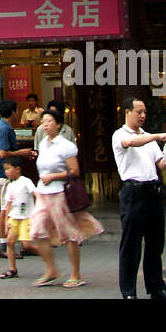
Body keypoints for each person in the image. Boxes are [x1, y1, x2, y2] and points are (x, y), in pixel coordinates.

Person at [28, 108, 104, 288]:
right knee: (37, 230)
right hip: (43, 194)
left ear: (59, 124)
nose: (45, 125)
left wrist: (54, 176)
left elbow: (75, 171)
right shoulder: (43, 143)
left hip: (60, 193)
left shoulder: (66, 146)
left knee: (68, 233)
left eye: (49, 122)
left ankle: (75, 274)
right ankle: (51, 270)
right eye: (43, 122)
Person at [111, 96, 166, 299]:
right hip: (133, 193)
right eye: (138, 112)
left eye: (144, 112)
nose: (142, 116)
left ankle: (157, 288)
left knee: (155, 244)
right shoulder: (120, 135)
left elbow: (159, 164)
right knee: (131, 245)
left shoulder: (148, 136)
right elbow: (131, 143)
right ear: (127, 112)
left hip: (152, 191)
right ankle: (129, 291)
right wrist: (157, 136)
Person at [0, 99, 37, 259]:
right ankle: (4, 245)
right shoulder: (4, 128)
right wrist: (21, 153)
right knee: (5, 209)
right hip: (5, 174)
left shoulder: (2, 127)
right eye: (17, 110)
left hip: (5, 173)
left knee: (8, 208)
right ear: (13, 112)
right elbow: (3, 153)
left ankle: (16, 243)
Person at [0, 156, 39, 280]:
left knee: (26, 246)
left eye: (8, 169)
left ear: (18, 169)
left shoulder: (26, 181)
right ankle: (12, 269)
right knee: (10, 242)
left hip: (26, 218)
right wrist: (6, 222)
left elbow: (36, 194)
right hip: (14, 218)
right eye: (5, 169)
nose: (6, 172)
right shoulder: (10, 186)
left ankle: (45, 252)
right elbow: (8, 205)